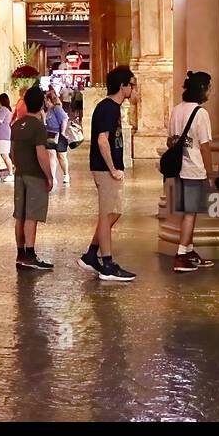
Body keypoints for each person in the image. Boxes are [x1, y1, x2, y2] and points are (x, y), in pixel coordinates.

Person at [78, 65, 136, 283]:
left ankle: (92, 254)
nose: (133, 89)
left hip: (108, 168)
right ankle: (107, 264)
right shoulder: (108, 108)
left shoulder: (112, 107)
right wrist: (112, 169)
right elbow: (103, 140)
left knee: (113, 213)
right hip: (105, 169)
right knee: (107, 214)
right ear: (122, 86)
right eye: (131, 85)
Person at [167, 71, 216, 273]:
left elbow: (170, 141)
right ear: (202, 89)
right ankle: (181, 255)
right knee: (191, 213)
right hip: (195, 169)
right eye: (210, 87)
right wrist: (210, 173)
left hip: (179, 168)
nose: (211, 91)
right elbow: (205, 146)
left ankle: (189, 250)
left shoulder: (176, 110)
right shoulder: (201, 113)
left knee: (187, 212)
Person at [10, 85, 56, 270]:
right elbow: (41, 153)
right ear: (41, 104)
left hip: (19, 174)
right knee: (32, 215)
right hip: (35, 175)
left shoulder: (16, 125)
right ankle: (30, 254)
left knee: (19, 215)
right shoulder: (38, 126)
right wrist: (49, 176)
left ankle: (20, 254)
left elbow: (12, 152)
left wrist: (18, 165)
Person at [44, 89, 71, 186]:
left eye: (46, 100)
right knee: (51, 155)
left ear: (49, 100)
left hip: (59, 135)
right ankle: (52, 176)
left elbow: (64, 119)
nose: (45, 103)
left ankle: (66, 174)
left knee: (61, 156)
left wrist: (63, 132)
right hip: (50, 134)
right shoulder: (49, 110)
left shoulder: (57, 108)